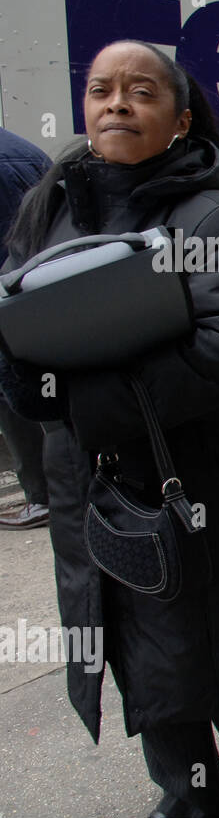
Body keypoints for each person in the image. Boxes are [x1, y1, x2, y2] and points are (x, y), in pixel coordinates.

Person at [0, 41, 219, 818]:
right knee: (139, 650)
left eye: (140, 91)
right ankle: (190, 795)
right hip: (93, 486)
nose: (116, 103)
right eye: (101, 90)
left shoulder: (214, 215)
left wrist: (84, 399)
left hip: (201, 480)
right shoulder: (49, 203)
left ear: (181, 121)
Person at [0, 127, 52, 531]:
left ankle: (39, 497)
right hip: (38, 284)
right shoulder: (25, 149)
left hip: (5, 288)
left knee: (11, 393)